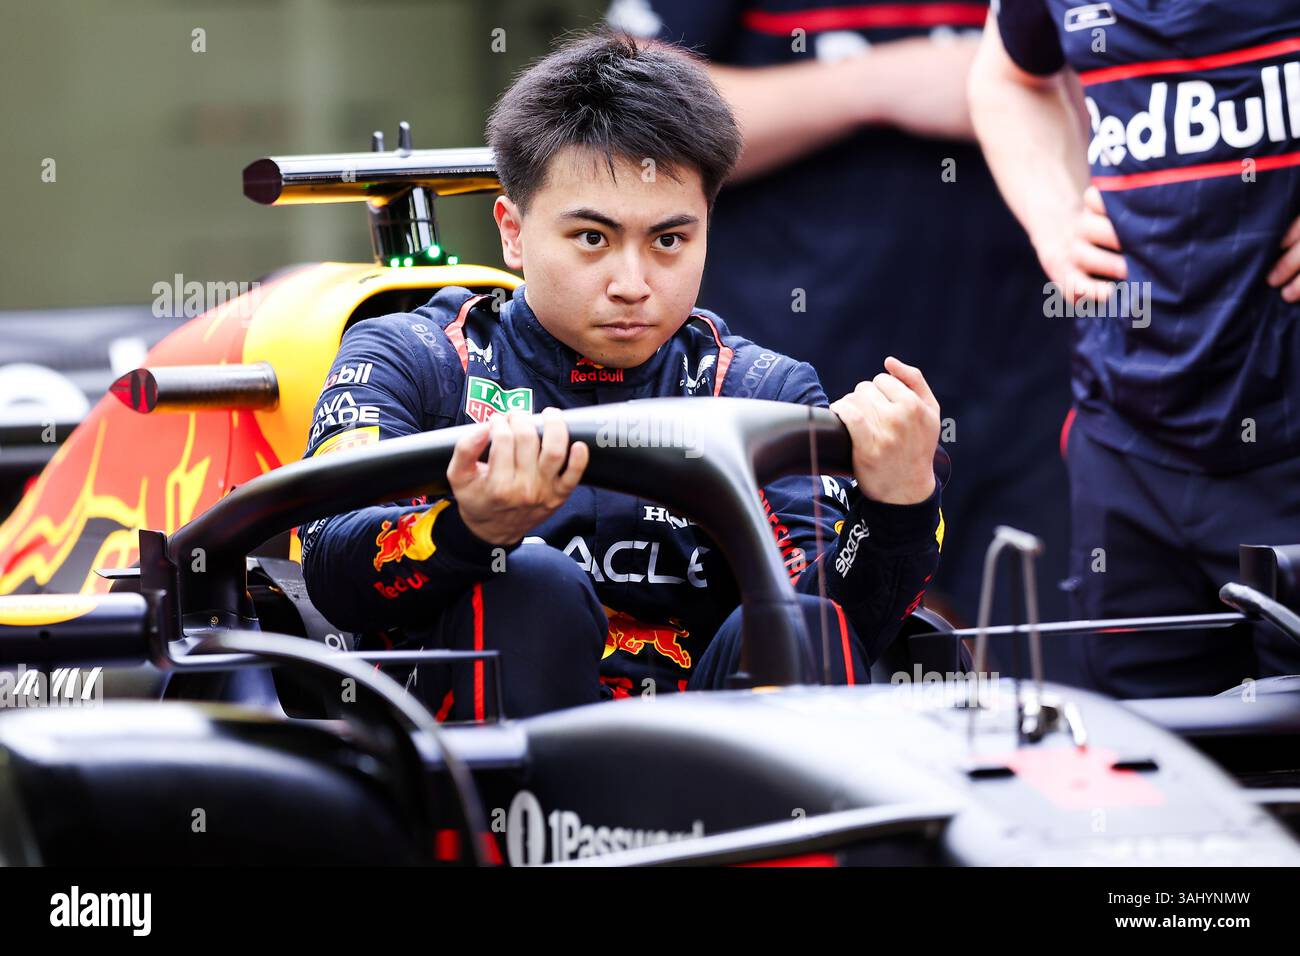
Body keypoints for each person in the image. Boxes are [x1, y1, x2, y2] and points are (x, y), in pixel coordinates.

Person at [299, 32, 945, 721]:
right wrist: (469, 529)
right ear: (512, 231)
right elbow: (330, 568)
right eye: (593, 240)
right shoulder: (411, 357)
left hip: (714, 791)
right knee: (531, 584)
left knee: (802, 620)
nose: (632, 285)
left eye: (669, 241)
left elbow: (842, 628)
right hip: (478, 789)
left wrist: (902, 507)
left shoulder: (765, 390)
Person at [606, 0, 1073, 634]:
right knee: (817, 648)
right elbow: (632, 112)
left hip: (1033, 372)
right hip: (799, 379)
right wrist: (877, 84)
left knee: (1045, 674)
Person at [969, 0, 1300, 697]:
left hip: (1285, 437)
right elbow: (1006, 76)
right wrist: (1054, 217)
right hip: (1127, 448)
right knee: (1150, 774)